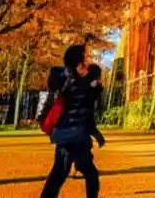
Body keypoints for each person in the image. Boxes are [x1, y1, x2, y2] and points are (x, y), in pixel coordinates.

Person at [40, 45, 106, 198]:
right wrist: (95, 133)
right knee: (89, 173)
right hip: (76, 135)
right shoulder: (77, 81)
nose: (88, 58)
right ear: (79, 60)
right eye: (86, 56)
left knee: (60, 173)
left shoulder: (70, 79)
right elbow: (85, 112)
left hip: (65, 133)